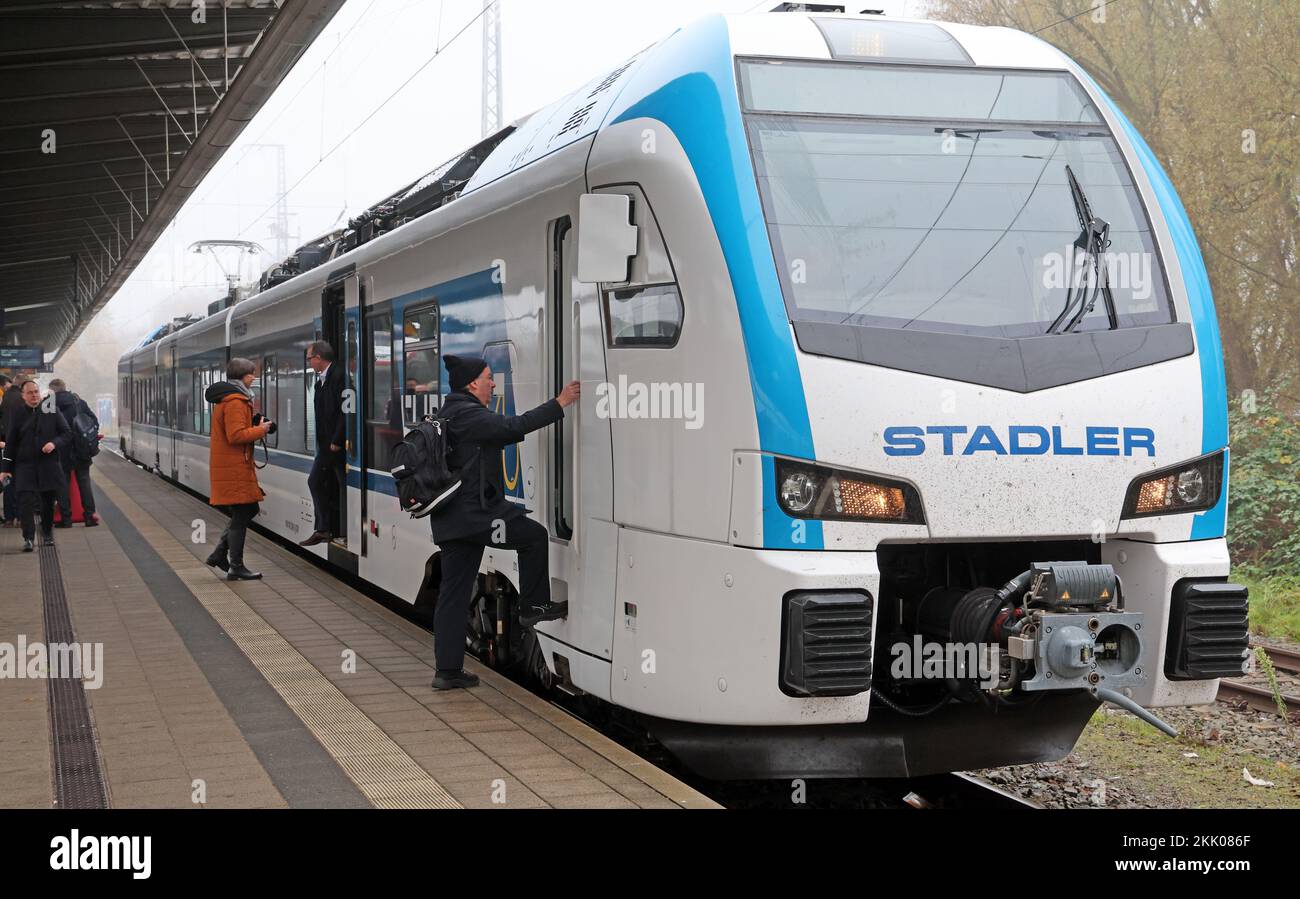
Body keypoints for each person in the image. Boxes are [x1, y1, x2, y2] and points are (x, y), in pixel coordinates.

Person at [426, 354, 580, 690]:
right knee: (534, 536)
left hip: (454, 519)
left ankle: (447, 671)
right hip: (475, 516)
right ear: (472, 383)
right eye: (488, 377)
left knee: (453, 596)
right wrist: (560, 403)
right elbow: (513, 427)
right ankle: (533, 605)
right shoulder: (467, 414)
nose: (493, 383)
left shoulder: (450, 411)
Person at [203, 358, 273, 581]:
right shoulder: (235, 401)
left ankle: (219, 555)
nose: (254, 378)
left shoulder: (233, 400)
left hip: (234, 465)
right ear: (245, 376)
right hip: (234, 466)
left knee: (246, 510)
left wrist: (254, 424)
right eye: (252, 374)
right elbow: (235, 436)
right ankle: (235, 565)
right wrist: (261, 430)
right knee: (244, 512)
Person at [0, 380, 71, 551]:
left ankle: (47, 534)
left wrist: (54, 443)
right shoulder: (17, 414)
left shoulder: (51, 410)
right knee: (25, 503)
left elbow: (67, 433)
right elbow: (10, 444)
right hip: (24, 466)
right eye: (30, 393)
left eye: (36, 392)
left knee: (47, 503)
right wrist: (5, 470)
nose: (34, 395)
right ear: (23, 396)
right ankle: (29, 538)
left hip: (47, 466)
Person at [300, 340, 347, 547]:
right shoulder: (320, 379)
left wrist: (337, 440)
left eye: (309, 358)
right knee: (318, 482)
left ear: (319, 358)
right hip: (326, 446)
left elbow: (346, 412)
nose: (309, 362)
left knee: (343, 486)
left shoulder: (339, 376)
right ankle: (325, 529)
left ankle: (339, 529)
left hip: (336, 446)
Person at [48, 378, 99, 528]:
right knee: (84, 483)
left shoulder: (49, 405)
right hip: (81, 450)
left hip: (60, 450)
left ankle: (66, 519)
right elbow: (94, 422)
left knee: (62, 484)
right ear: (65, 388)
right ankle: (90, 516)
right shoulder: (79, 402)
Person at [0, 373, 21, 527]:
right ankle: (21, 516)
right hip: (22, 447)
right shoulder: (24, 400)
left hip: (6, 447)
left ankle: (9, 517)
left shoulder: (5, 398)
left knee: (8, 481)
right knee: (22, 482)